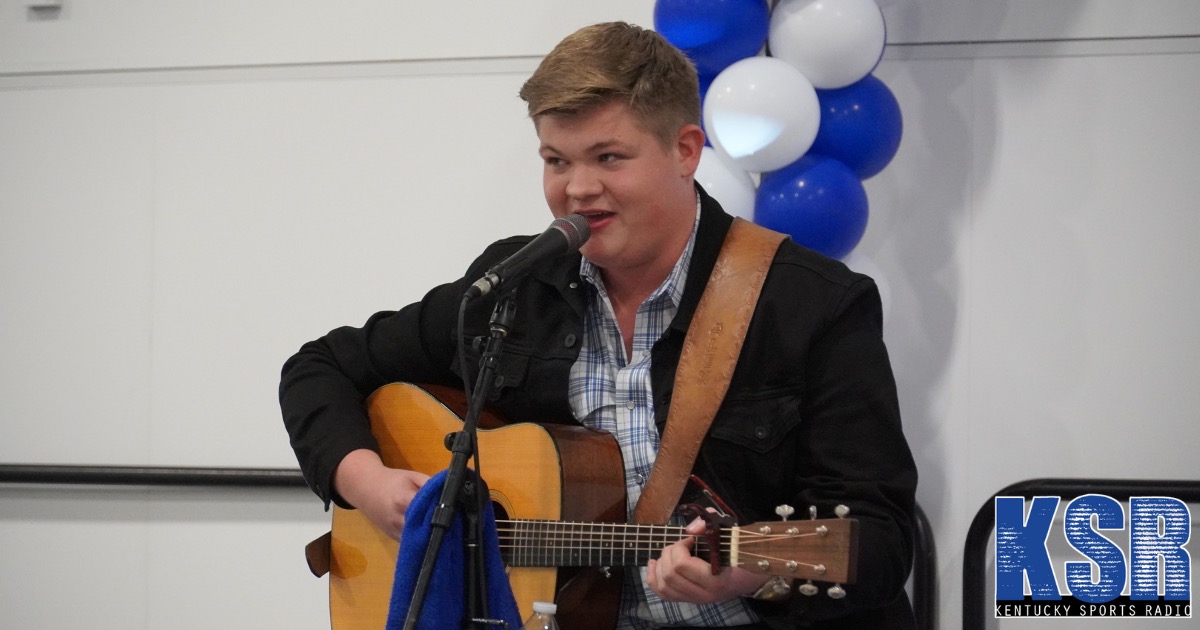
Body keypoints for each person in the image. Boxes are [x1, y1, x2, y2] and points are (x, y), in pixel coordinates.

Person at [280, 21, 918, 630]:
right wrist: (370, 484)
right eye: (556, 161)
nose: (577, 189)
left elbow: (879, 537)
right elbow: (320, 367)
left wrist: (749, 574)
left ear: (685, 150)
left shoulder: (813, 304)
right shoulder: (512, 285)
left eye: (608, 157)